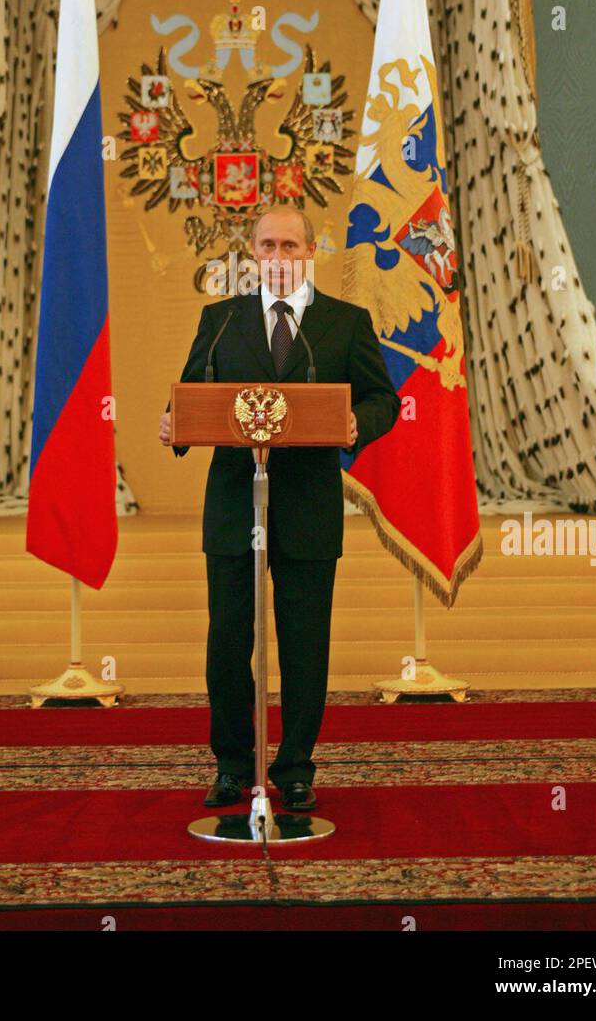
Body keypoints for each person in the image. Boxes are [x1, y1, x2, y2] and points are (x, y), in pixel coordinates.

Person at [158, 205, 400, 810]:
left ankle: (295, 767)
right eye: (267, 245)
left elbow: (382, 400)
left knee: (303, 642)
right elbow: (192, 394)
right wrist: (176, 427)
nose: (278, 256)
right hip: (236, 505)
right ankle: (233, 766)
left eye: (290, 245)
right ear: (254, 255)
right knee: (227, 641)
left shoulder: (346, 323)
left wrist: (354, 422)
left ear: (310, 253)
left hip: (308, 508)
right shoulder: (220, 320)